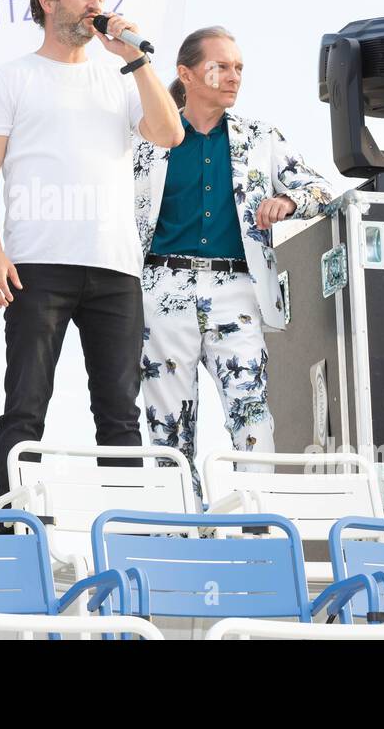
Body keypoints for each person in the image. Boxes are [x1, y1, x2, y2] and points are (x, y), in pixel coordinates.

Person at [0, 0, 183, 499]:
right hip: (36, 265)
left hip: (114, 267)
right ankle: (18, 532)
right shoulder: (11, 78)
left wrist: (136, 60)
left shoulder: (119, 76)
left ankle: (128, 533)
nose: (97, 4)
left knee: (119, 414)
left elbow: (170, 134)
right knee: (25, 408)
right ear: (49, 0)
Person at [133, 26, 335, 500]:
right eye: (220, 66)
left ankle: (255, 527)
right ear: (186, 73)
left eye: (238, 67)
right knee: (168, 425)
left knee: (251, 413)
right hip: (162, 287)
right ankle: (178, 533)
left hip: (236, 289)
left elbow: (321, 190)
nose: (233, 76)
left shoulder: (259, 138)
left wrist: (286, 199)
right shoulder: (147, 138)